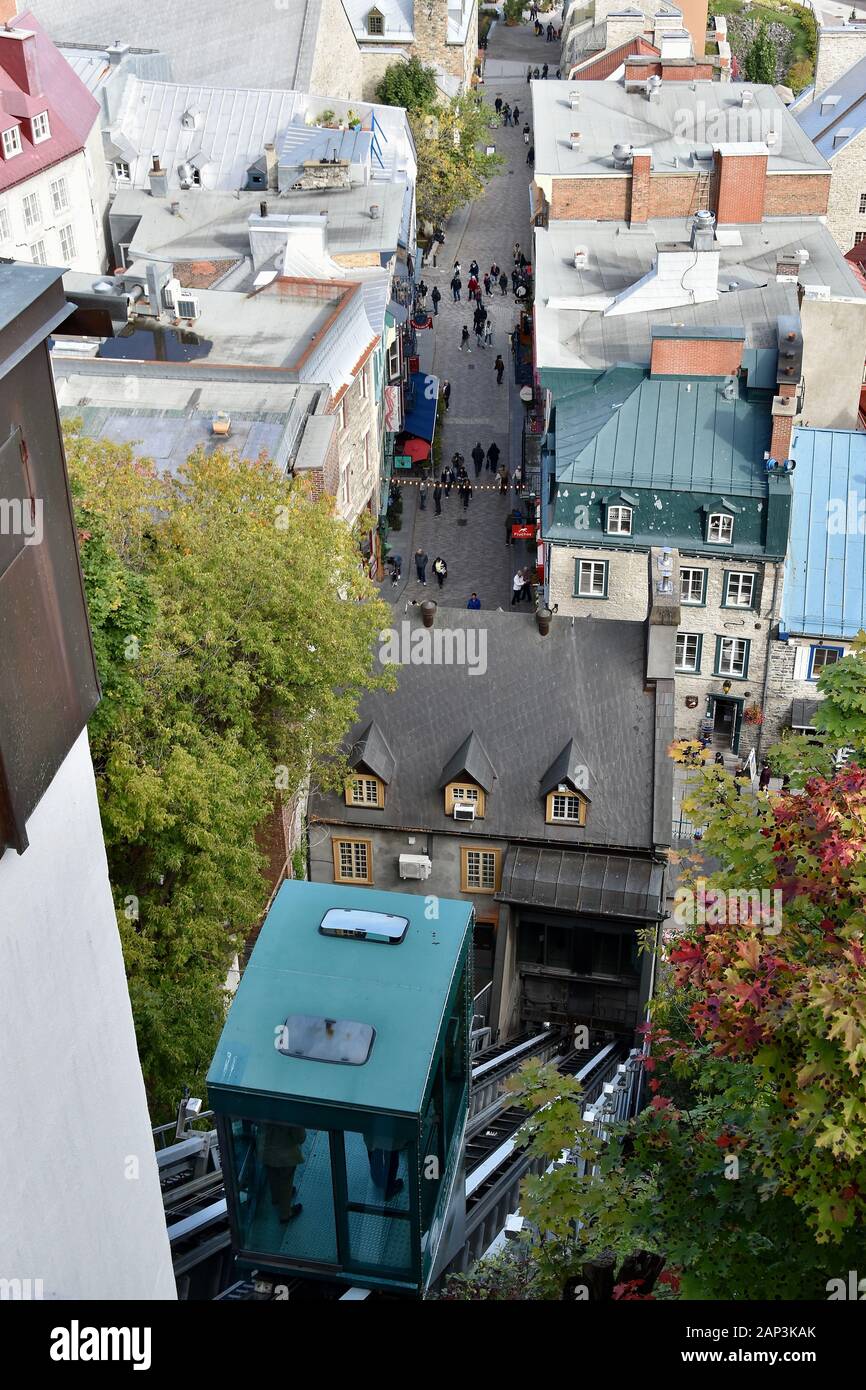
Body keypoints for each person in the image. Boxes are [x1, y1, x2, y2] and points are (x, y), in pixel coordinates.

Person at [259, 1121, 306, 1222]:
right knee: (286, 1181)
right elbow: (300, 1138)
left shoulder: (265, 1107)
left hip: (266, 1151)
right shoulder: (291, 1113)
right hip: (285, 1156)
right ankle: (285, 1214)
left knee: (272, 1175)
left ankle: (276, 1197)